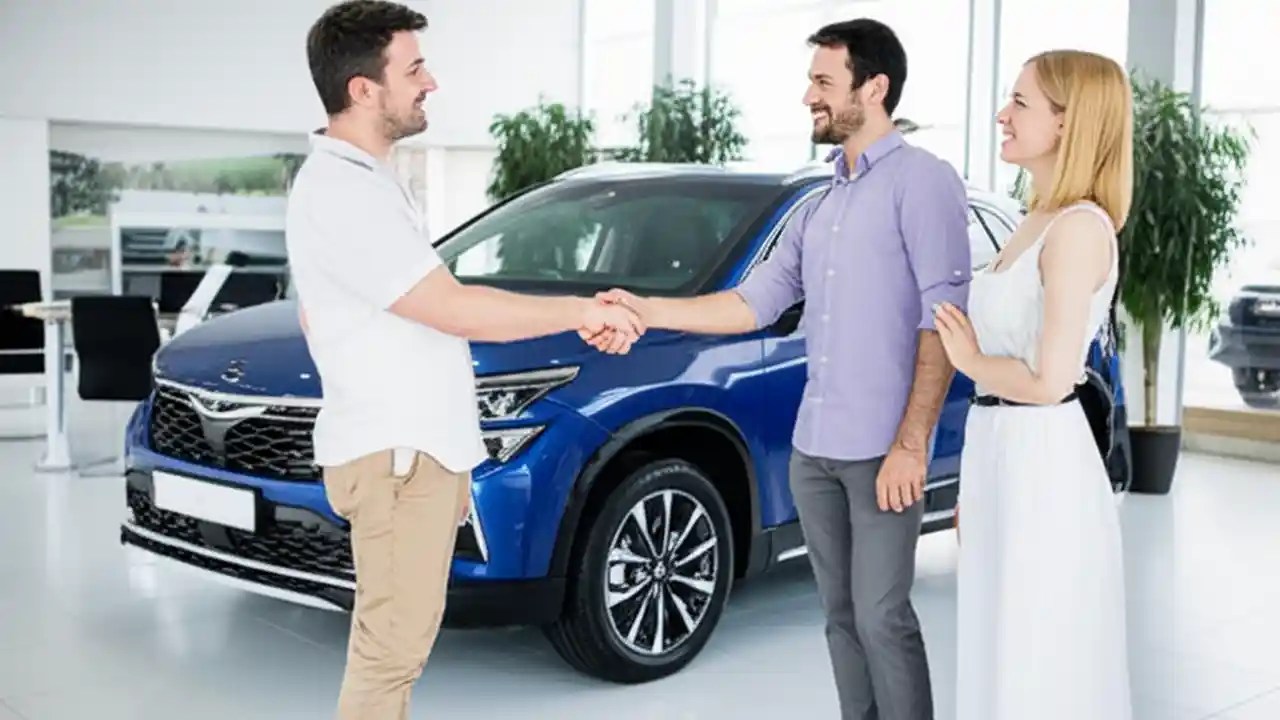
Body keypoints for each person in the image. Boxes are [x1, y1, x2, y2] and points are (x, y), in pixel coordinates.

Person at [591, 18, 969, 720]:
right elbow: (750, 303)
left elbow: (941, 321)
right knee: (839, 616)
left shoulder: (923, 183)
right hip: (814, 450)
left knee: (883, 615)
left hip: (882, 452)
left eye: (824, 82)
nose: (808, 98)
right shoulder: (821, 206)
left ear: (874, 87)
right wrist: (647, 308)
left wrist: (912, 444)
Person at [286, 3, 643, 718]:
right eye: (414, 68)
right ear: (363, 89)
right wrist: (582, 312)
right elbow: (450, 307)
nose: (432, 83)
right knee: (390, 653)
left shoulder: (371, 179)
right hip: (396, 458)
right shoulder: (344, 189)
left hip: (411, 452)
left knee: (396, 647)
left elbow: (321, 313)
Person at [932, 49, 1134, 719]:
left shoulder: (1078, 230)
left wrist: (967, 360)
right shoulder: (1033, 221)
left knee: (1038, 657)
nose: (1001, 114)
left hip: (1044, 463)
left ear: (1068, 123)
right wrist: (977, 488)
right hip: (1002, 454)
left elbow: (1051, 381)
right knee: (999, 647)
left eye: (1019, 102)